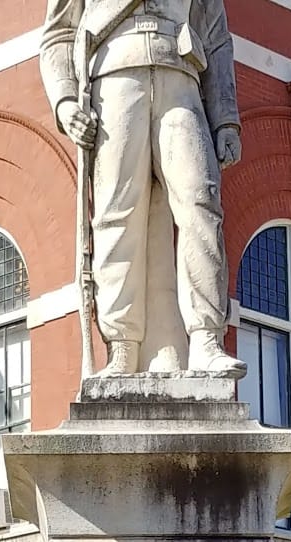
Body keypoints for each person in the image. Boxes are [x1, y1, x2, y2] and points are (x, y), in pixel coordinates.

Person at [40, 0, 247, 379]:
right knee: (117, 214)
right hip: (114, 78)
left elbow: (215, 35)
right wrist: (66, 100)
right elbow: (58, 33)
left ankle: (205, 340)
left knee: (201, 203)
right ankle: (122, 347)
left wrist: (226, 118)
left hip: (181, 75)